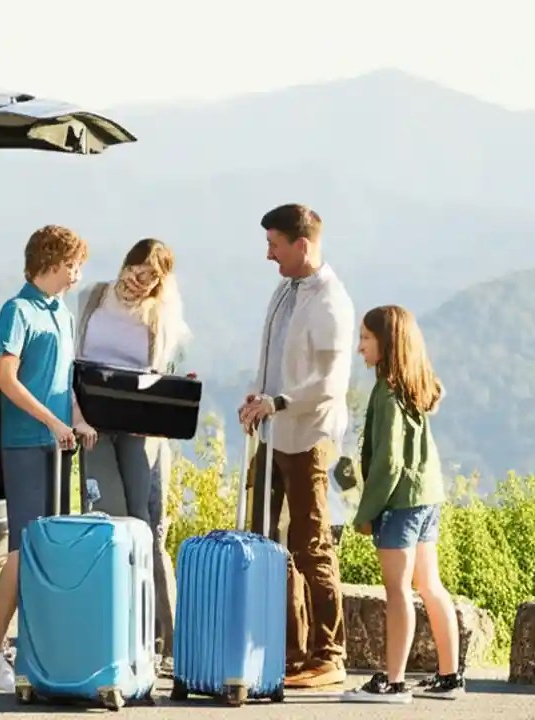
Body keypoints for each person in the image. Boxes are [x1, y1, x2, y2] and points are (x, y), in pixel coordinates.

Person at [0, 224, 98, 693]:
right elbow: (7, 378)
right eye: (73, 265)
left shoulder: (62, 313)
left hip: (58, 444)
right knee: (22, 549)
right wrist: (50, 421)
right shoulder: (18, 310)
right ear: (51, 263)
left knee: (48, 548)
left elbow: (64, 379)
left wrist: (76, 419)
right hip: (26, 442)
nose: (77, 274)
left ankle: (35, 649)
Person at [239, 203, 354, 688]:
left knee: (310, 544)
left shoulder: (330, 302)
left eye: (275, 245)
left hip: (308, 439)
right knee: (263, 540)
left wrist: (279, 402)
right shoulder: (285, 291)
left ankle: (328, 654)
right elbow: (274, 361)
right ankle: (289, 649)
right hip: (273, 433)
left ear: (301, 244)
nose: (269, 254)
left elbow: (330, 383)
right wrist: (258, 398)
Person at [75, 238, 191, 672]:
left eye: (150, 278)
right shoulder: (93, 298)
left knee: (145, 526)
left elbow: (163, 371)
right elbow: (76, 356)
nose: (139, 282)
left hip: (141, 427)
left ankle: (167, 639)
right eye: (136, 271)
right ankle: (115, 630)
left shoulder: (159, 314)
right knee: (107, 519)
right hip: (94, 422)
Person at [343, 305, 465, 702]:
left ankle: (393, 682)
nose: (360, 347)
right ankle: (449, 677)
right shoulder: (414, 384)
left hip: (399, 503)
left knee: (397, 591)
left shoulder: (387, 391)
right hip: (426, 497)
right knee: (430, 585)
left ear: (387, 342)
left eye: (366, 338)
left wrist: (366, 512)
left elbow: (389, 462)